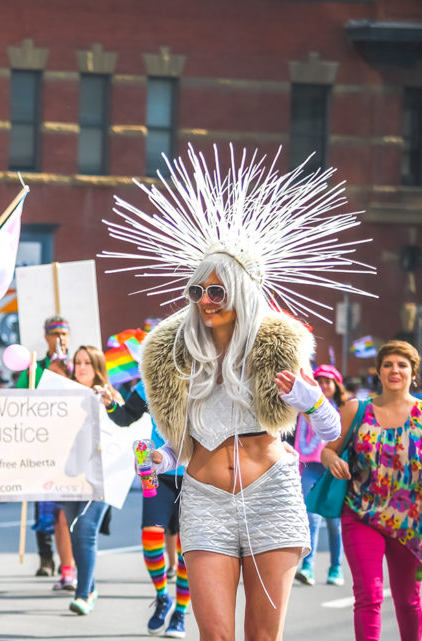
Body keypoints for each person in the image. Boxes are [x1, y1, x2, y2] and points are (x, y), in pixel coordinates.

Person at [101, 146, 372, 640]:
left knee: (263, 636)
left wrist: (309, 400)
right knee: (215, 635)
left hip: (272, 495)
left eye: (217, 291)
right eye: (197, 291)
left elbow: (330, 429)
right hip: (204, 500)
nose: (205, 301)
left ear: (242, 292)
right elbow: (181, 446)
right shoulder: (175, 357)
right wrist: (159, 460)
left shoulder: (277, 350)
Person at [322, 340, 422, 641]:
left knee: (409, 600)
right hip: (361, 512)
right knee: (369, 594)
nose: (395, 370)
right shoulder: (357, 409)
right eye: (388, 365)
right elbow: (328, 450)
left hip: (411, 520)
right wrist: (333, 460)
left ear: (413, 373)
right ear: (378, 372)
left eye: (402, 365)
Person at [103, 377, 190, 637]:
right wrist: (110, 405)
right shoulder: (149, 383)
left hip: (195, 475)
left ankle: (180, 612)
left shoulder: (202, 378)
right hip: (158, 472)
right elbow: (125, 417)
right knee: (151, 537)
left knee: (188, 548)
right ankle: (162, 597)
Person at [16, 315, 72, 578]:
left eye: (64, 333)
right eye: (55, 334)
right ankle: (46, 557)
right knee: (43, 503)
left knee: (69, 506)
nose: (60, 338)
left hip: (70, 445)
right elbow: (16, 401)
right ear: (46, 337)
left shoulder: (77, 364)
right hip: (42, 443)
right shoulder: (34, 368)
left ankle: (68, 560)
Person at [62, 345, 114, 616]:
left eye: (87, 363)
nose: (81, 367)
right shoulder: (63, 395)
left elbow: (121, 426)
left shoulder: (109, 397)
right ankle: (90, 589)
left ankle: (82, 595)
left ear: (97, 367)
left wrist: (108, 404)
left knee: (84, 529)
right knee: (75, 533)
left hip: (101, 478)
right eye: (78, 362)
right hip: (69, 476)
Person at [294, 363, 348, 587]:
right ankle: (307, 567)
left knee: (334, 522)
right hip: (309, 467)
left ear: (337, 385)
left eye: (328, 381)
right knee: (310, 518)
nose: (324, 385)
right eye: (320, 381)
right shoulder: (304, 406)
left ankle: (335, 568)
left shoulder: (344, 410)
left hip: (332, 469)